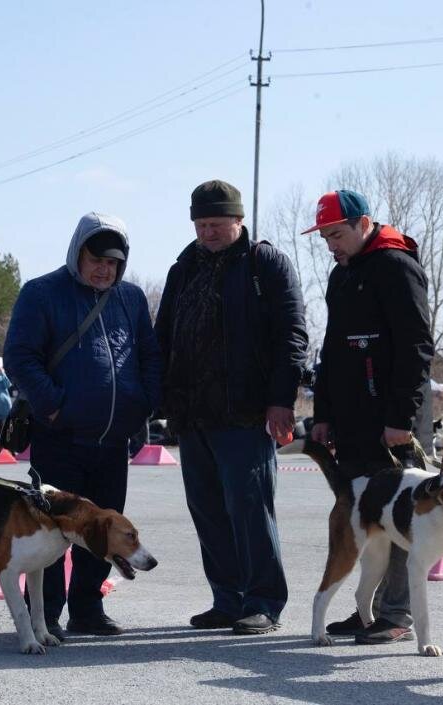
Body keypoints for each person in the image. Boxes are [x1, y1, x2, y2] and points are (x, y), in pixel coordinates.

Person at [155, 180, 308, 635]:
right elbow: (163, 337)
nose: (208, 233)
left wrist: (281, 400)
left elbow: (292, 336)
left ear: (238, 221)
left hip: (245, 414)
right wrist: (163, 400)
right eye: (201, 225)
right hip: (193, 415)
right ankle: (227, 599)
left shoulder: (266, 264)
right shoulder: (182, 268)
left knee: (249, 510)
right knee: (207, 511)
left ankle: (263, 601)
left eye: (217, 224)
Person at [4, 212, 161, 639]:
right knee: (52, 535)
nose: (103, 269)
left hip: (112, 441)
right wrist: (53, 406)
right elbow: (20, 356)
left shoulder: (131, 299)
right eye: (96, 259)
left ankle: (88, 608)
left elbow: (149, 357)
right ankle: (46, 613)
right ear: (78, 253)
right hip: (59, 439)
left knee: (102, 532)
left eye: (112, 262)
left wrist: (143, 406)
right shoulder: (41, 293)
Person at [305, 189, 434, 645]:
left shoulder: (397, 267)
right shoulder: (342, 275)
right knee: (360, 523)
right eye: (324, 238)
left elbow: (417, 347)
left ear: (363, 224)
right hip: (354, 422)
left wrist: (401, 418)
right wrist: (323, 414)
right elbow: (333, 352)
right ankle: (365, 612)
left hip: (394, 424)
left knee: (403, 519)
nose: (331, 245)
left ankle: (395, 614)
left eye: (336, 234)